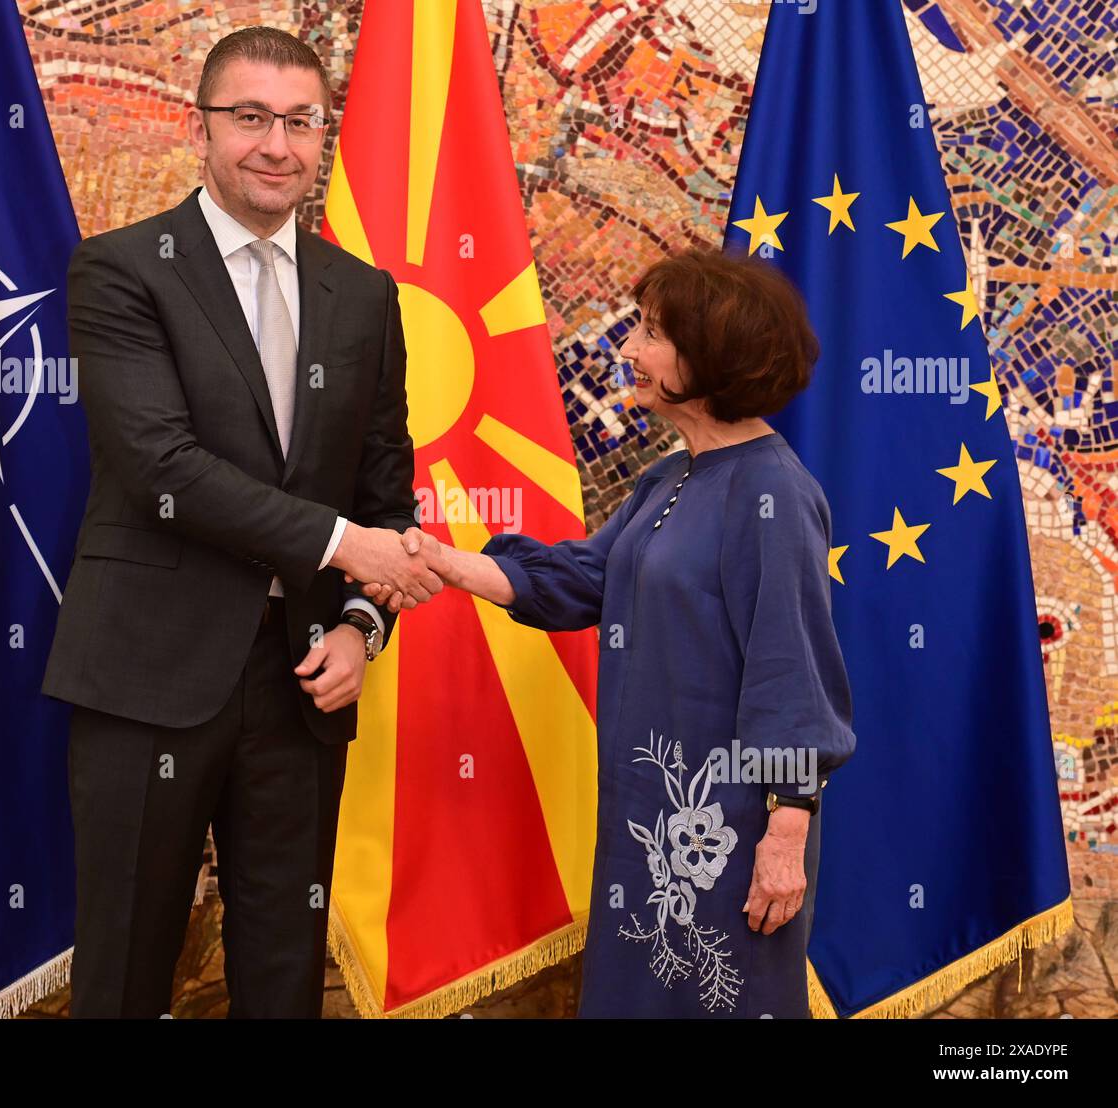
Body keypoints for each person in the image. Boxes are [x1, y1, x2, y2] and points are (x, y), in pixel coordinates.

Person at [41, 26, 440, 1018]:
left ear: (323, 136)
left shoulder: (364, 295)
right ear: (202, 129)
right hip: (147, 671)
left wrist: (360, 627)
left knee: (282, 972)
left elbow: (386, 496)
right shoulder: (121, 269)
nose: (276, 144)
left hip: (302, 681)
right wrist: (343, 546)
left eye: (300, 122)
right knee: (126, 970)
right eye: (251, 117)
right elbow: (160, 466)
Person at [363, 247, 856, 1017]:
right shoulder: (669, 477)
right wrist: (441, 560)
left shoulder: (774, 493)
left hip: (725, 833)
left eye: (652, 333)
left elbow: (792, 670)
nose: (628, 349)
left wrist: (786, 836)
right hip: (644, 818)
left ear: (712, 355)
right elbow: (581, 581)